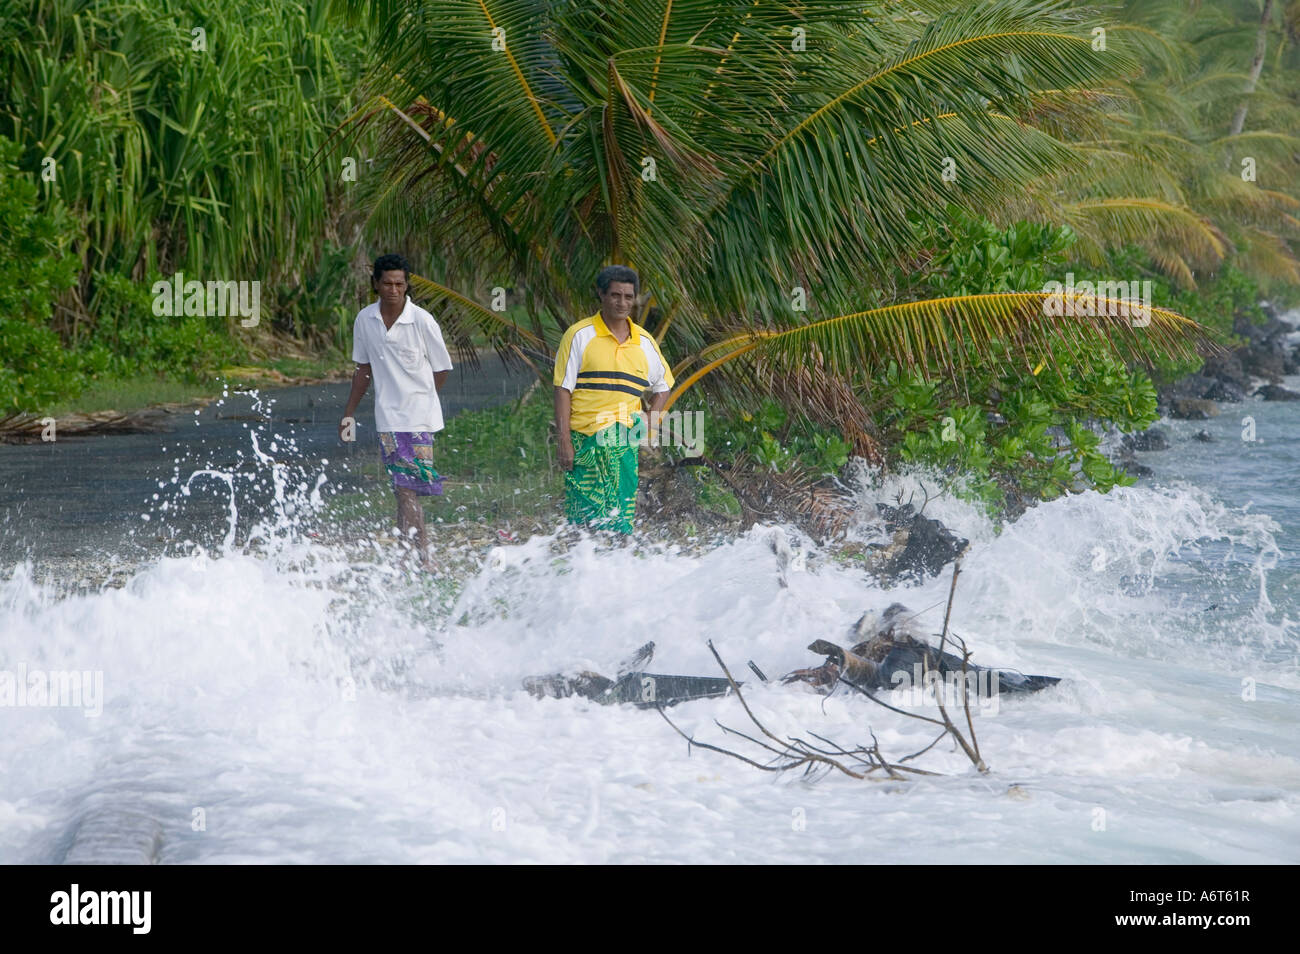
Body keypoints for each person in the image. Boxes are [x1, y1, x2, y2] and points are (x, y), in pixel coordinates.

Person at [339, 254, 453, 570]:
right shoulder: (365, 320)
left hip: (418, 418)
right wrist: (349, 412)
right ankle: (407, 556)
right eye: (387, 283)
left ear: (407, 285)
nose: (393, 290)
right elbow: (364, 369)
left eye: (399, 284)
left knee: (407, 488)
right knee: (401, 488)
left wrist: (424, 401)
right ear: (375, 284)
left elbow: (442, 368)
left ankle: (423, 557)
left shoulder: (422, 320)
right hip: (387, 418)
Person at [553, 265, 673, 534]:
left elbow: (663, 386)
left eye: (629, 297)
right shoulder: (579, 335)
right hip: (584, 442)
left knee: (621, 519)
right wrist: (564, 441)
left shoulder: (645, 342)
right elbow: (562, 389)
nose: (622, 303)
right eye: (615, 295)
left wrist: (648, 425)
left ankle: (619, 573)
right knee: (582, 521)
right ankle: (579, 572)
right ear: (601, 294)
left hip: (623, 445)